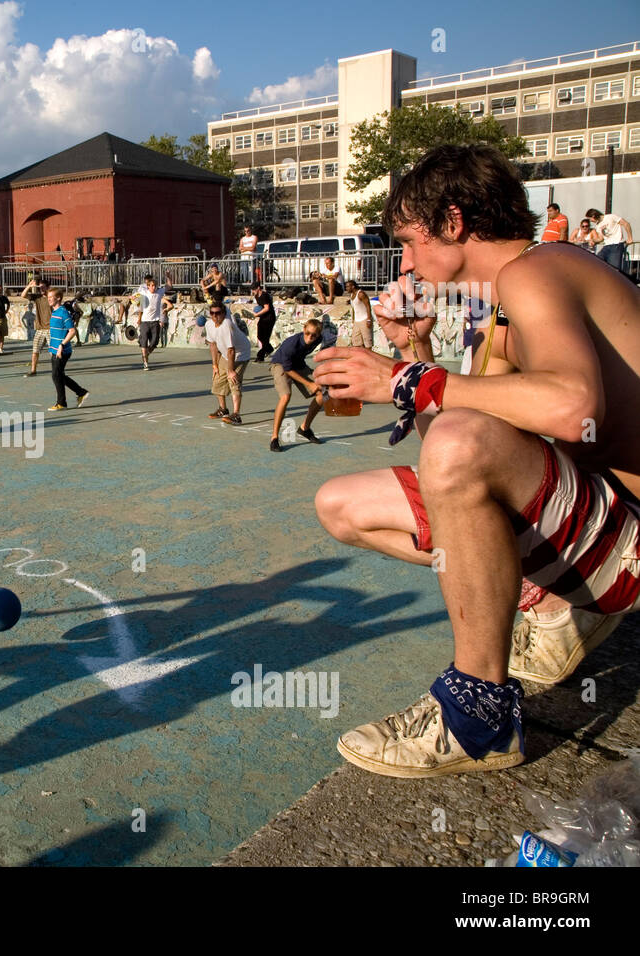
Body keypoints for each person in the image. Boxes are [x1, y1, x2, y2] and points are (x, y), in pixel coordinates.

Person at [311, 143, 640, 778]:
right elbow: (455, 449)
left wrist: (408, 380)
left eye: (408, 240)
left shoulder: (537, 269)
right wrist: (419, 348)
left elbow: (574, 408)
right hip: (592, 525)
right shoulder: (509, 302)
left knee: (460, 440)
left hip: (626, 540)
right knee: (341, 506)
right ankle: (545, 603)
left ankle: (479, 713)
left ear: (454, 223)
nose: (404, 261)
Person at [268, 318, 330, 452]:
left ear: (318, 335)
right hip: (280, 365)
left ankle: (304, 428)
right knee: (285, 396)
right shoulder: (291, 344)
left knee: (324, 392)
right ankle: (274, 438)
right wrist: (309, 384)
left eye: (313, 335)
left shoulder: (318, 340)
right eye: (307, 333)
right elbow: (287, 369)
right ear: (304, 330)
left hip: (298, 364)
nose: (310, 337)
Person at [45, 287, 89, 411]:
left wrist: (61, 345)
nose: (48, 300)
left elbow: (72, 331)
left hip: (62, 351)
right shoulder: (54, 312)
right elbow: (55, 333)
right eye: (47, 298)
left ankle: (61, 403)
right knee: (58, 375)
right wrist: (51, 348)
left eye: (50, 297)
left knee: (56, 375)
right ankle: (81, 392)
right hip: (54, 350)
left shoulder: (63, 312)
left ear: (58, 298)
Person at [206, 303, 250, 425]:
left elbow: (232, 350)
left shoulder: (227, 325)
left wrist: (231, 371)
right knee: (218, 380)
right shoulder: (209, 325)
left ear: (224, 314)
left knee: (233, 381)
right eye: (212, 313)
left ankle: (236, 415)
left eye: (218, 313)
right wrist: (215, 365)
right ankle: (223, 410)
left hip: (241, 354)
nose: (215, 316)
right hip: (226, 354)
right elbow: (213, 345)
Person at [134, 274, 169, 371]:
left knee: (154, 343)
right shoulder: (144, 292)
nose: (154, 287)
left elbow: (169, 286)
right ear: (148, 286)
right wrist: (133, 298)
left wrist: (168, 277)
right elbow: (134, 297)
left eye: (155, 285)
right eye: (152, 285)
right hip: (145, 322)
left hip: (155, 322)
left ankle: (147, 353)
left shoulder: (159, 292)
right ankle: (145, 362)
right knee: (144, 342)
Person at [586, 207, 633, 274]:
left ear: (593, 216)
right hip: (607, 245)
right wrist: (593, 240)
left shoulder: (611, 217)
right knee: (597, 261)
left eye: (590, 219)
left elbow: (626, 224)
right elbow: (600, 238)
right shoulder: (598, 225)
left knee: (614, 268)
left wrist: (630, 238)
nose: (591, 221)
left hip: (616, 244)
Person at [22, 277, 53, 378]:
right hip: (40, 329)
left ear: (48, 287)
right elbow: (23, 295)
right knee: (35, 351)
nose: (42, 290)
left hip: (50, 329)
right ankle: (33, 370)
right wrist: (29, 286)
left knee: (53, 352)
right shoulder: (37, 297)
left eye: (44, 288)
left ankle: (56, 370)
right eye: (40, 288)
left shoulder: (52, 298)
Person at [251, 281, 276, 360]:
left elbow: (267, 308)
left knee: (265, 337)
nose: (253, 291)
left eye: (254, 289)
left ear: (258, 288)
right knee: (260, 336)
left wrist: (257, 314)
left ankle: (260, 356)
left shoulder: (264, 295)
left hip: (269, 318)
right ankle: (269, 349)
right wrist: (256, 311)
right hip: (263, 317)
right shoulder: (256, 296)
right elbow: (260, 307)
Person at [346, 279, 373, 349]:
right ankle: (361, 358)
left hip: (364, 320)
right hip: (356, 321)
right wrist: (353, 320)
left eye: (348, 287)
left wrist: (369, 319)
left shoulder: (361, 294)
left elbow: (368, 306)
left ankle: (369, 358)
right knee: (356, 342)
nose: (346, 289)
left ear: (353, 287)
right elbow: (355, 308)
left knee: (367, 342)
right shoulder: (352, 295)